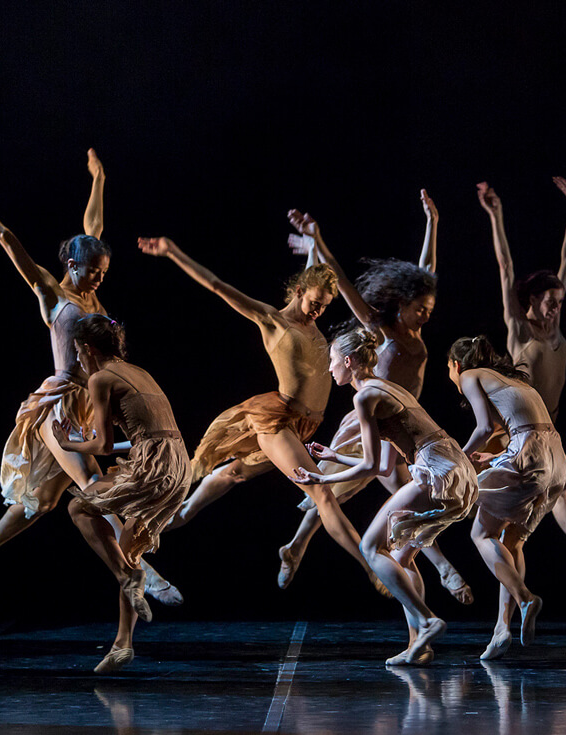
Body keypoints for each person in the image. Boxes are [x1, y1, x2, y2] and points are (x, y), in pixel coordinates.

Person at [0, 156, 180, 605]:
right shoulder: (52, 292)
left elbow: (94, 224)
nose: (99, 278)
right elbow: (6, 238)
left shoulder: (90, 288)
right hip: (60, 405)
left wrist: (100, 179)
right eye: (93, 270)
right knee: (92, 483)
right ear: (71, 262)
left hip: (93, 402)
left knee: (42, 502)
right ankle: (141, 570)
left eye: (104, 272)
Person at [137, 235, 388, 594]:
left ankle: (160, 525)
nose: (319, 311)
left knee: (233, 475)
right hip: (277, 420)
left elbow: (316, 273)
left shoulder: (311, 320)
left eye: (325, 306)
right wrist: (173, 251)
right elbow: (217, 285)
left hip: (301, 426)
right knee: (323, 496)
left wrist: (313, 242)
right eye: (315, 302)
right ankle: (371, 567)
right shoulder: (273, 321)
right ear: (299, 290)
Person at [276, 199, 473, 604]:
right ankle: (297, 548)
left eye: (429, 310)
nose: (425, 316)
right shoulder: (381, 330)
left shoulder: (415, 330)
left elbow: (425, 274)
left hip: (402, 429)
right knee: (335, 493)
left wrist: (432, 223)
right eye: (419, 309)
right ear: (401, 305)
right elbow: (344, 280)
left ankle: (298, 546)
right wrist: (318, 239)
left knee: (402, 495)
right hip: (371, 420)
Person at [293, 328, 478, 665]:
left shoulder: (364, 397)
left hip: (435, 466)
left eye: (333, 362)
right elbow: (381, 464)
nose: (330, 369)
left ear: (348, 362)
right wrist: (334, 457)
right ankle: (419, 646)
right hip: (453, 465)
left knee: (369, 547)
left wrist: (320, 477)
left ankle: (427, 620)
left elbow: (368, 467)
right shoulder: (387, 387)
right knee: (402, 557)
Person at [477, 179, 566, 604]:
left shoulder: (556, 326)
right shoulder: (520, 330)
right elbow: (504, 266)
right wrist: (496, 215)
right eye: (550, 300)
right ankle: (519, 604)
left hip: (547, 430)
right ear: (532, 302)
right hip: (513, 433)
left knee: (552, 496)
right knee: (504, 529)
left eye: (560, 299)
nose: (557, 306)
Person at [50, 314, 192, 672]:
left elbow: (103, 445)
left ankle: (128, 578)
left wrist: (68, 442)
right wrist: (93, 442)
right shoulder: (138, 371)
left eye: (78, 352)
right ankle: (122, 645)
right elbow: (147, 433)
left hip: (154, 463)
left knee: (80, 510)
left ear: (87, 348)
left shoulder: (101, 378)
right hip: (177, 462)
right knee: (128, 549)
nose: (78, 360)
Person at [447, 336, 566, 657]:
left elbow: (485, 428)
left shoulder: (470, 376)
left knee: (481, 533)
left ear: (457, 365)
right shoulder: (512, 380)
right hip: (555, 459)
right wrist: (495, 458)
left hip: (530, 452)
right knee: (512, 540)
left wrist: (457, 460)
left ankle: (525, 598)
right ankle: (502, 628)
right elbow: (524, 427)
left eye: (449, 368)